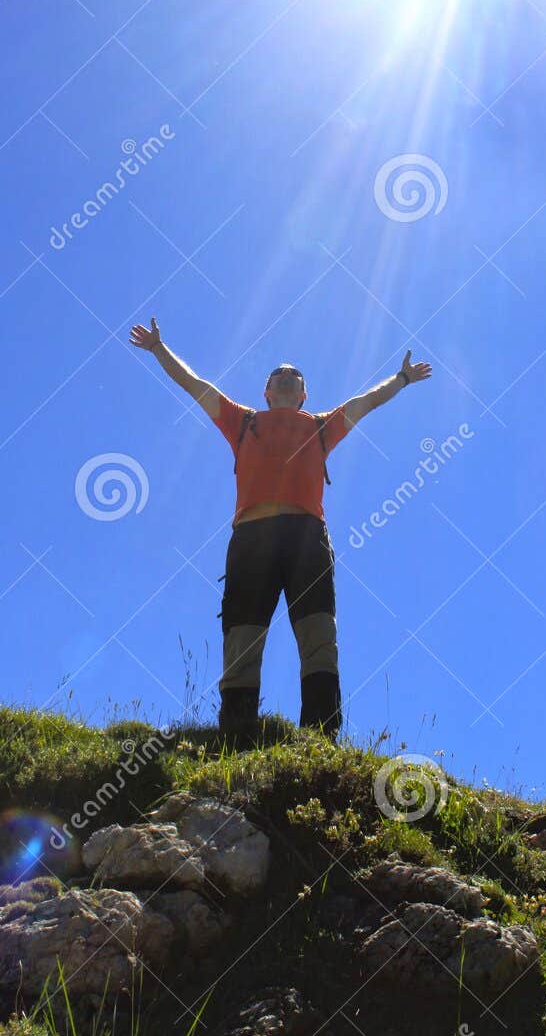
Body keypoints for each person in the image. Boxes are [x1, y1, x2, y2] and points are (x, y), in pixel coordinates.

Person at [129, 317, 431, 740]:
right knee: (242, 638)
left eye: (295, 375)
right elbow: (196, 386)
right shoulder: (242, 422)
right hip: (251, 540)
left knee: (318, 635)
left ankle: (319, 738)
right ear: (266, 392)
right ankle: (237, 734)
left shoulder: (321, 427)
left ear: (304, 395)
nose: (287, 375)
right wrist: (159, 349)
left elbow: (365, 402)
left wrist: (401, 378)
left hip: (307, 539)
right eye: (278, 374)